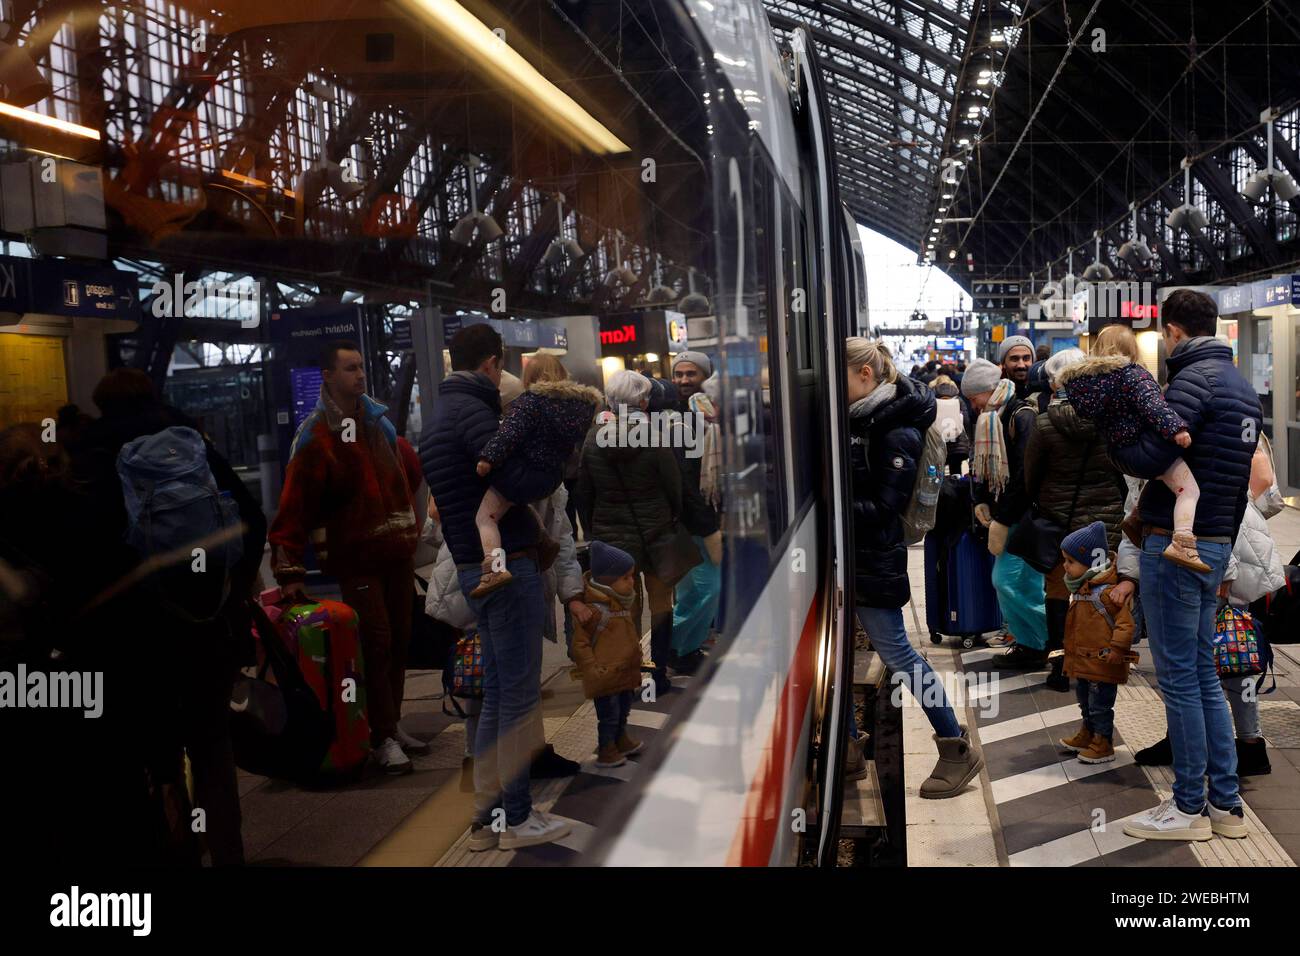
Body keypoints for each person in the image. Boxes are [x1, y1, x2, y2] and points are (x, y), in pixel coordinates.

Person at [420, 323, 571, 850]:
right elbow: (513, 478)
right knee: (518, 696)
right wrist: (553, 465)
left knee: (498, 695)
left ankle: (486, 820)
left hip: (472, 564)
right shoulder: (476, 411)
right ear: (492, 362)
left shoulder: (438, 414)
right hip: (505, 565)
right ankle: (519, 818)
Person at [1121, 289, 1261, 843]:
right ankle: (1224, 807)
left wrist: (1120, 441)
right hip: (1216, 540)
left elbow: (1156, 454)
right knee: (1203, 674)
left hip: (1176, 544)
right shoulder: (1243, 388)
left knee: (1179, 678)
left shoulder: (1190, 382)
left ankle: (1185, 809)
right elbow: (1235, 483)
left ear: (1173, 331)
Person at [270, 341, 422, 776]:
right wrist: (289, 571)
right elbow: (292, 506)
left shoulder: (377, 421)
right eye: (350, 368)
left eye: (361, 366)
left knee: (396, 639)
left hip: (396, 551)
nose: (360, 375)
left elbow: (408, 470)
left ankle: (390, 723)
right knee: (374, 640)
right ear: (328, 376)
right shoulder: (316, 434)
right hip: (355, 556)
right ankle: (382, 737)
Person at [844, 337, 983, 799]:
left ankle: (955, 750)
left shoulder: (895, 428)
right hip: (849, 559)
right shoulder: (859, 419)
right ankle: (847, 751)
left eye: (840, 377)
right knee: (836, 660)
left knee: (899, 655)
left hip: (875, 558)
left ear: (865, 374)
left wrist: (831, 503)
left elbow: (886, 506)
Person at [1134, 440, 1286, 776]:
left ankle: (1234, 745)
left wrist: (1227, 567)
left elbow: (1258, 485)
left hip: (1221, 552)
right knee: (1230, 655)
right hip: (1229, 548)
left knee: (1219, 655)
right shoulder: (1234, 421)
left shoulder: (1214, 426)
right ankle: (1242, 745)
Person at [577, 370, 696, 696]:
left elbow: (584, 493)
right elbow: (675, 487)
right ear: (642, 401)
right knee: (661, 603)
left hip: (613, 538)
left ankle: (628, 678)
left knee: (624, 609)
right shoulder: (655, 436)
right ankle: (658, 676)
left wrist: (592, 530)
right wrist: (672, 516)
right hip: (656, 533)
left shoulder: (593, 438)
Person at [1058, 324, 1205, 572]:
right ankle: (1183, 542)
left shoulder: (1087, 385)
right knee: (1188, 490)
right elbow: (1153, 405)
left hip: (1121, 454)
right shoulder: (1131, 374)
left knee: (1152, 485)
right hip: (1146, 448)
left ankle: (1135, 520)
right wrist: (1176, 429)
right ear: (1131, 349)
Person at [1024, 348, 1128, 691]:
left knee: (1057, 592)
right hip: (1104, 522)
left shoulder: (1043, 423)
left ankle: (1059, 668)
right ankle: (1099, 665)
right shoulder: (1111, 421)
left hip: (1060, 522)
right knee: (1100, 592)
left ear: (1056, 384)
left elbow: (1031, 478)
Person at [470, 354, 602, 597]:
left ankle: (494, 570)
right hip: (550, 478)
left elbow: (509, 433)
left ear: (529, 377)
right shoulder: (581, 407)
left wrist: (487, 458)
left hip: (522, 474)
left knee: (486, 517)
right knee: (519, 505)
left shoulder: (532, 401)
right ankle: (544, 537)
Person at [967, 339, 1050, 667]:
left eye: (974, 398)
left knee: (1006, 580)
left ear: (987, 391)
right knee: (1028, 584)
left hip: (1025, 516)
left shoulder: (1019, 415)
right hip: (1015, 514)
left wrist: (1003, 518)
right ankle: (1035, 646)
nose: (972, 406)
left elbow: (1024, 477)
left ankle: (1053, 638)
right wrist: (983, 502)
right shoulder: (993, 417)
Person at [1056, 521, 1138, 765]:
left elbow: (1126, 625)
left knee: (1100, 705)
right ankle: (1088, 733)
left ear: (1091, 563)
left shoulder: (1106, 593)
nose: (1065, 566)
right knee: (1085, 701)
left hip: (1103, 662)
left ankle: (1103, 743)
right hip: (1083, 661)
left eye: (1070, 561)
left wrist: (1117, 648)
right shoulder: (1082, 589)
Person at [570, 541, 646, 768]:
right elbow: (580, 644)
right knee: (609, 716)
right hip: (605, 674)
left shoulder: (621, 603)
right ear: (607, 582)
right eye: (625, 578)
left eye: (632, 576)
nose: (632, 582)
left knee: (623, 709)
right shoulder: (594, 611)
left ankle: (620, 739)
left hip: (623, 672)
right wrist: (593, 669)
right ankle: (606, 749)